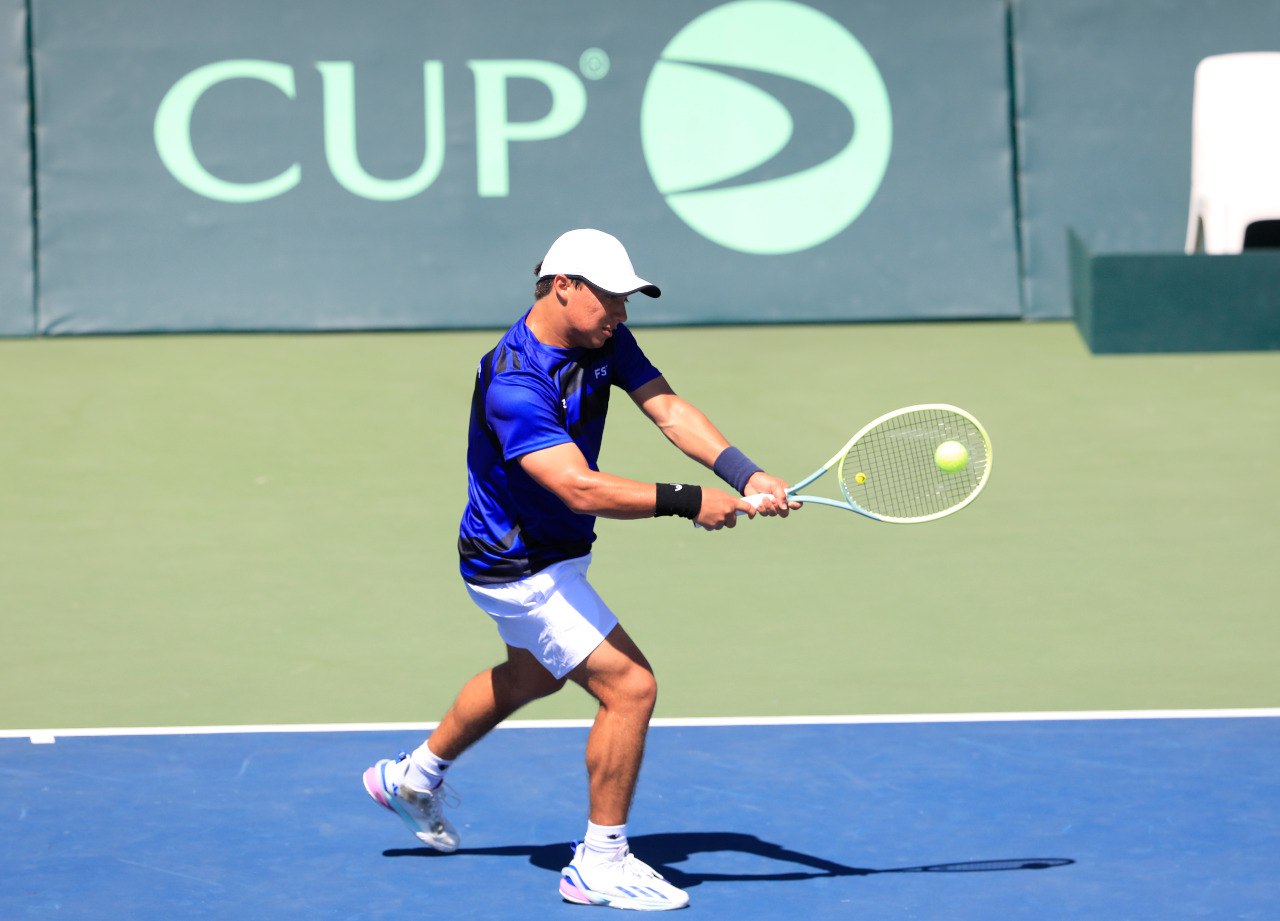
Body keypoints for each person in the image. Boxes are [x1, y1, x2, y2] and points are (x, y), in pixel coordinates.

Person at [362, 228, 796, 911]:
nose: (620, 312)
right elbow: (578, 487)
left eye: (628, 298)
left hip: (555, 551)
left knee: (532, 672)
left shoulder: (604, 339)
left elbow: (669, 409)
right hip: (517, 564)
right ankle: (600, 862)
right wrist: (691, 502)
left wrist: (744, 472)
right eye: (610, 297)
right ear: (562, 286)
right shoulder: (515, 376)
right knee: (630, 686)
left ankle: (411, 778)